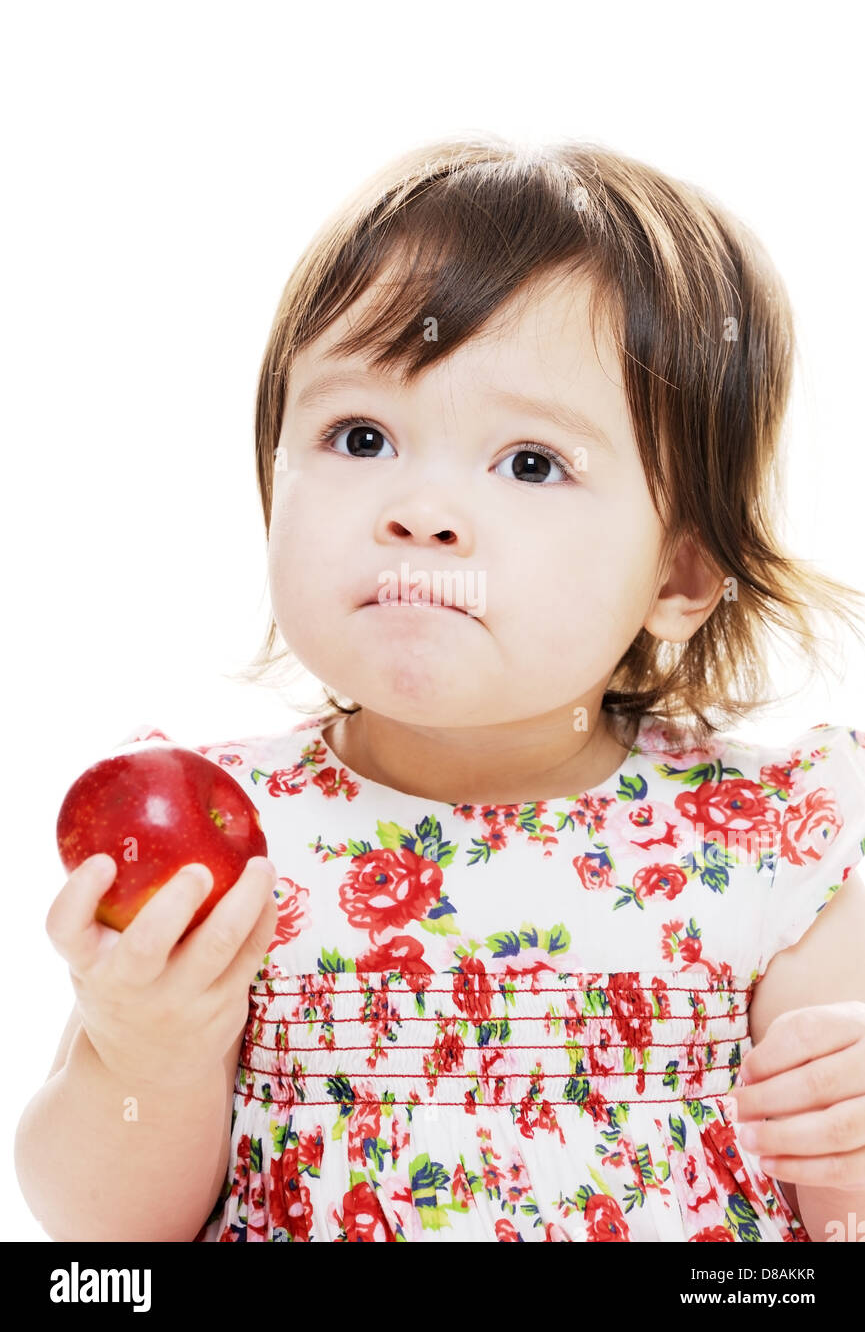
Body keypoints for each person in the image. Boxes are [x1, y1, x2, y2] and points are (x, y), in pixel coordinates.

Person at [15, 135, 865, 1242]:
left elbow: (833, 1215)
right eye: (360, 436)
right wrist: (145, 1052)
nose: (420, 510)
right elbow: (107, 1236)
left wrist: (845, 1140)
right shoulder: (224, 840)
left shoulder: (770, 842)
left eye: (529, 462)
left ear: (680, 571)